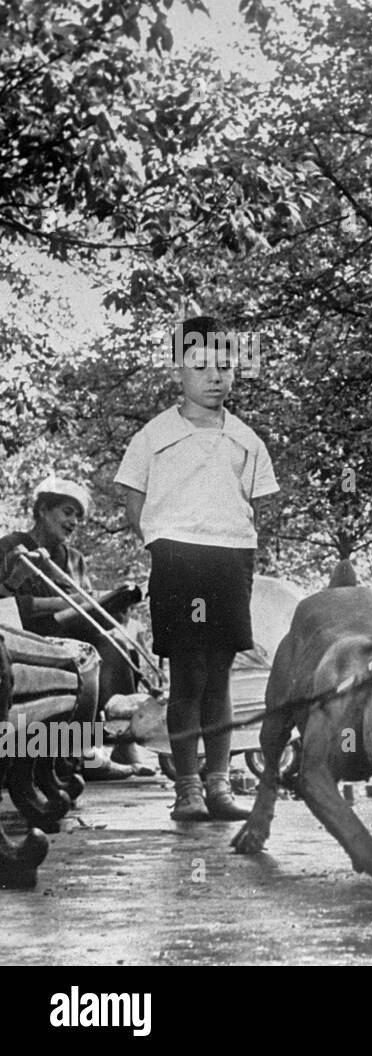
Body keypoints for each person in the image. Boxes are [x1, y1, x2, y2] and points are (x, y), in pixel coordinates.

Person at [115, 315, 279, 822]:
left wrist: (236, 543)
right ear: (179, 369)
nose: (215, 377)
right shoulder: (154, 435)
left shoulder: (246, 440)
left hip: (230, 560)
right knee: (188, 675)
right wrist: (161, 540)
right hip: (179, 561)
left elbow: (258, 502)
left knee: (222, 677)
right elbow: (131, 495)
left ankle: (219, 785)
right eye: (201, 366)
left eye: (225, 367)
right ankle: (186, 788)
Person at [0, 476, 152, 779]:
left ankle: (121, 740)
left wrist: (112, 605)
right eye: (67, 512)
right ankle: (80, 753)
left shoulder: (75, 559)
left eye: (78, 517)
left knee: (118, 642)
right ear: (43, 510)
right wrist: (61, 602)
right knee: (97, 650)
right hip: (25, 635)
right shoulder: (10, 546)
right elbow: (7, 600)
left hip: (69, 631)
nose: (74, 522)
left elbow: (84, 605)